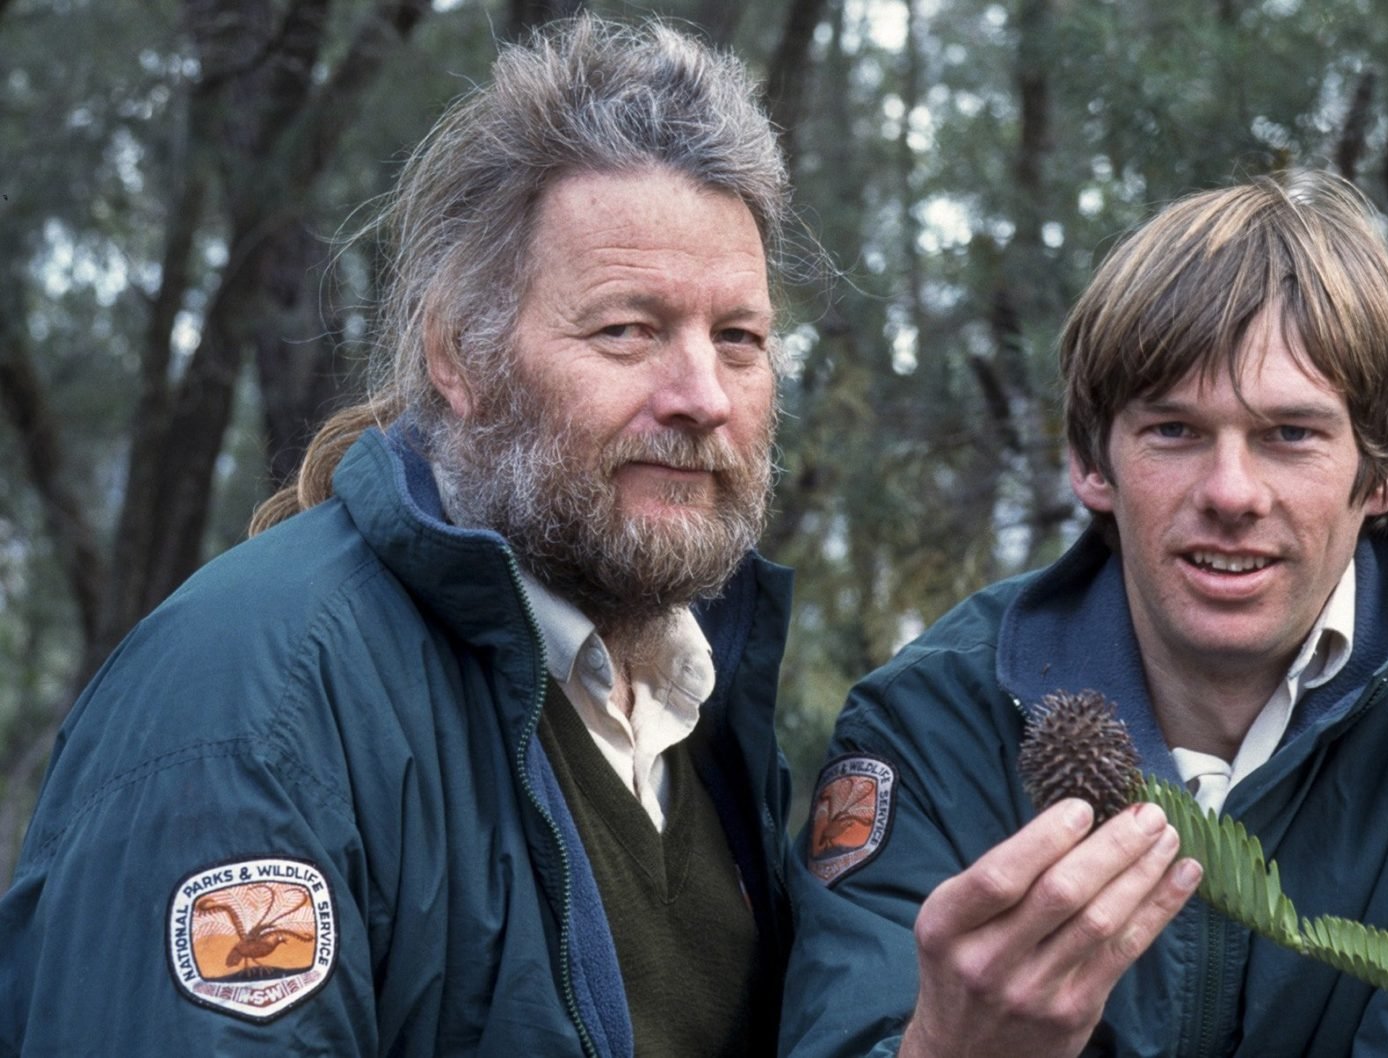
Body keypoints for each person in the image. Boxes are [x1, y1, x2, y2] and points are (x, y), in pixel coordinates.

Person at [0, 17, 798, 1056]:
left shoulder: (706, 704)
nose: (702, 395)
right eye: (626, 330)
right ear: (459, 357)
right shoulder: (254, 709)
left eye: (738, 338)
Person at [779, 171, 1388, 1057]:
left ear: (1385, 473)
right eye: (1175, 430)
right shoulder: (933, 727)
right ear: (1093, 463)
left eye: (1291, 434)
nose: (1232, 493)